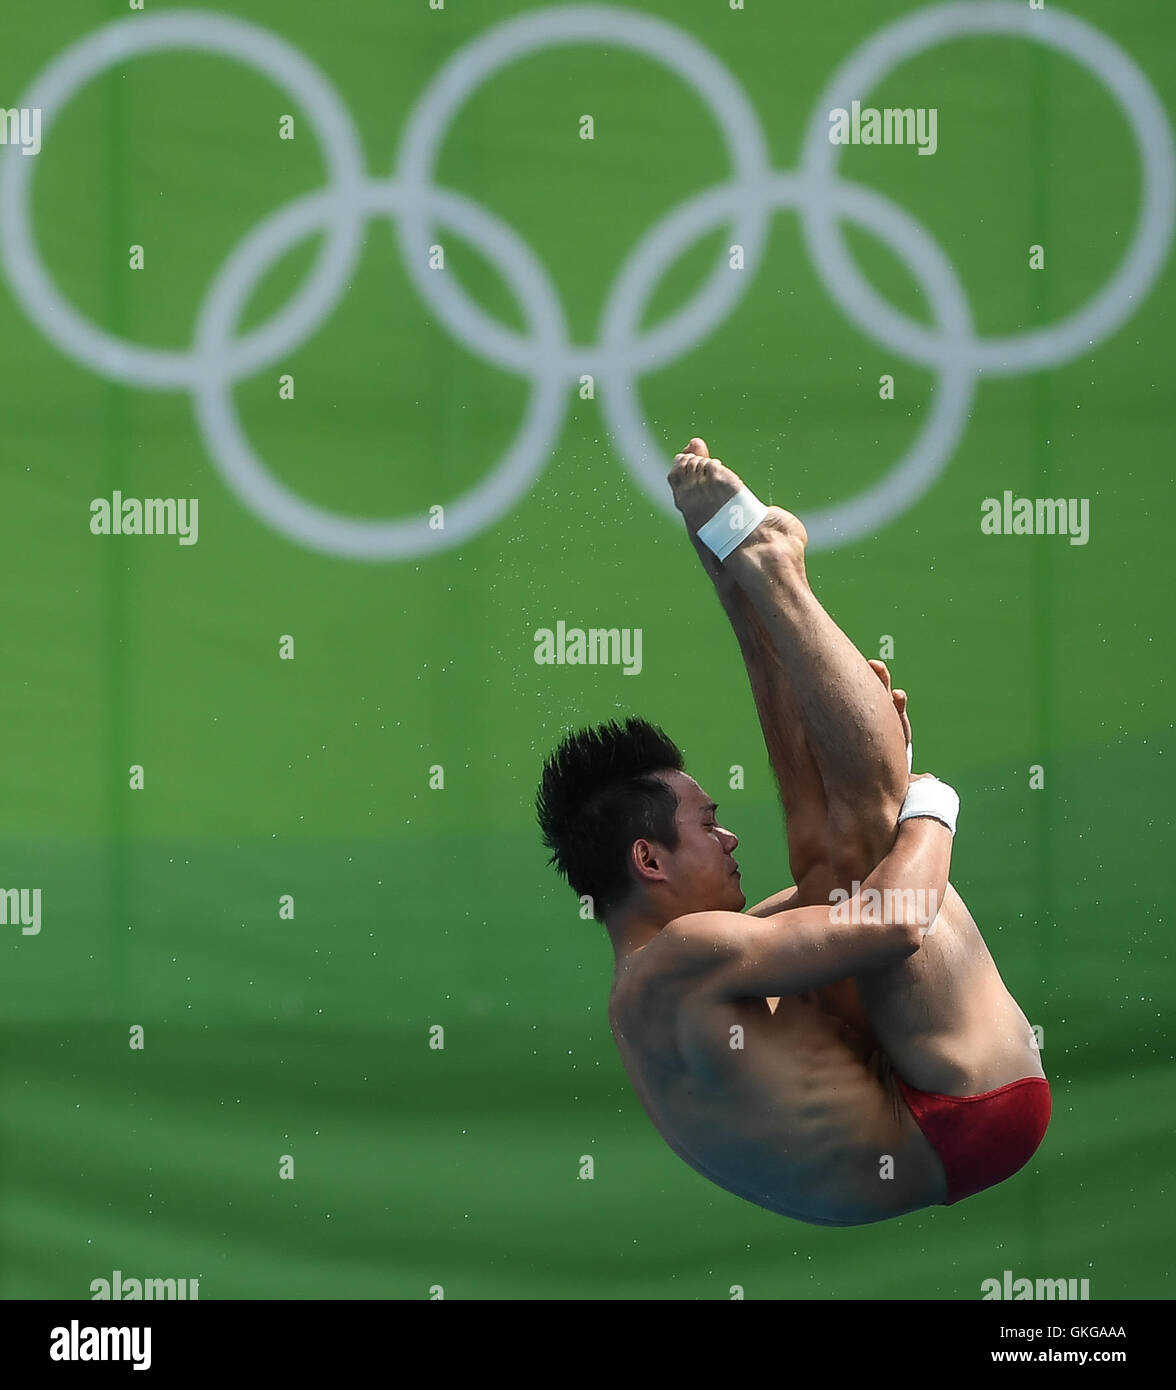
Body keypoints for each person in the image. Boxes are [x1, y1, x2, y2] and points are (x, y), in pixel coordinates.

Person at [534, 440, 1048, 1225]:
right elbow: (899, 922)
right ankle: (762, 572)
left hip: (918, 1124)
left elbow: (830, 905)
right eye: (707, 825)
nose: (730, 838)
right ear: (649, 858)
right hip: (967, 1109)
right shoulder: (682, 957)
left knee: (829, 864)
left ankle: (742, 580)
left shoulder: (650, 984)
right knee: (865, 839)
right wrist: (927, 797)